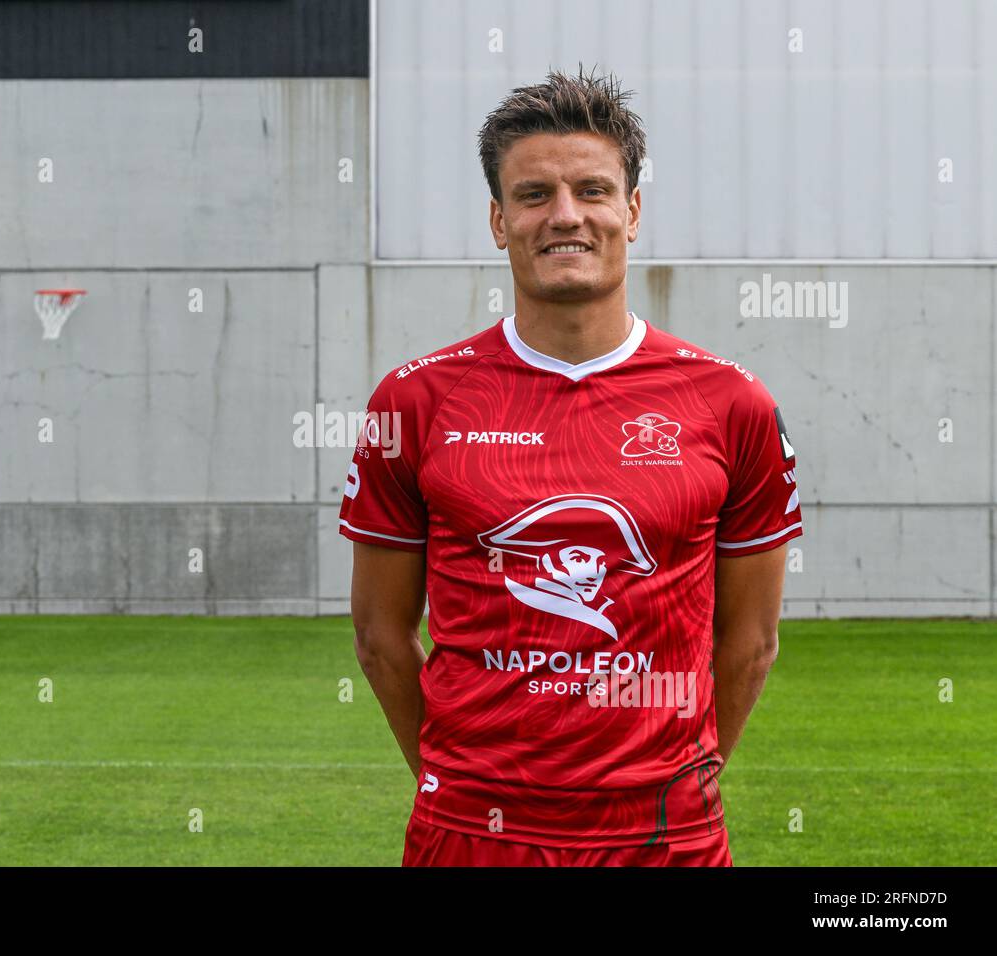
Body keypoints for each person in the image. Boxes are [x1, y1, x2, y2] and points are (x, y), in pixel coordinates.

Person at [338, 67, 803, 866]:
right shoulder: (415, 402)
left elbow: (751, 640)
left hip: (666, 838)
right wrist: (460, 786)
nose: (566, 216)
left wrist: (675, 777)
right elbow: (381, 635)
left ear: (632, 209)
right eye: (533, 195)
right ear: (497, 219)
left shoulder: (732, 404)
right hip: (472, 838)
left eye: (592, 190)